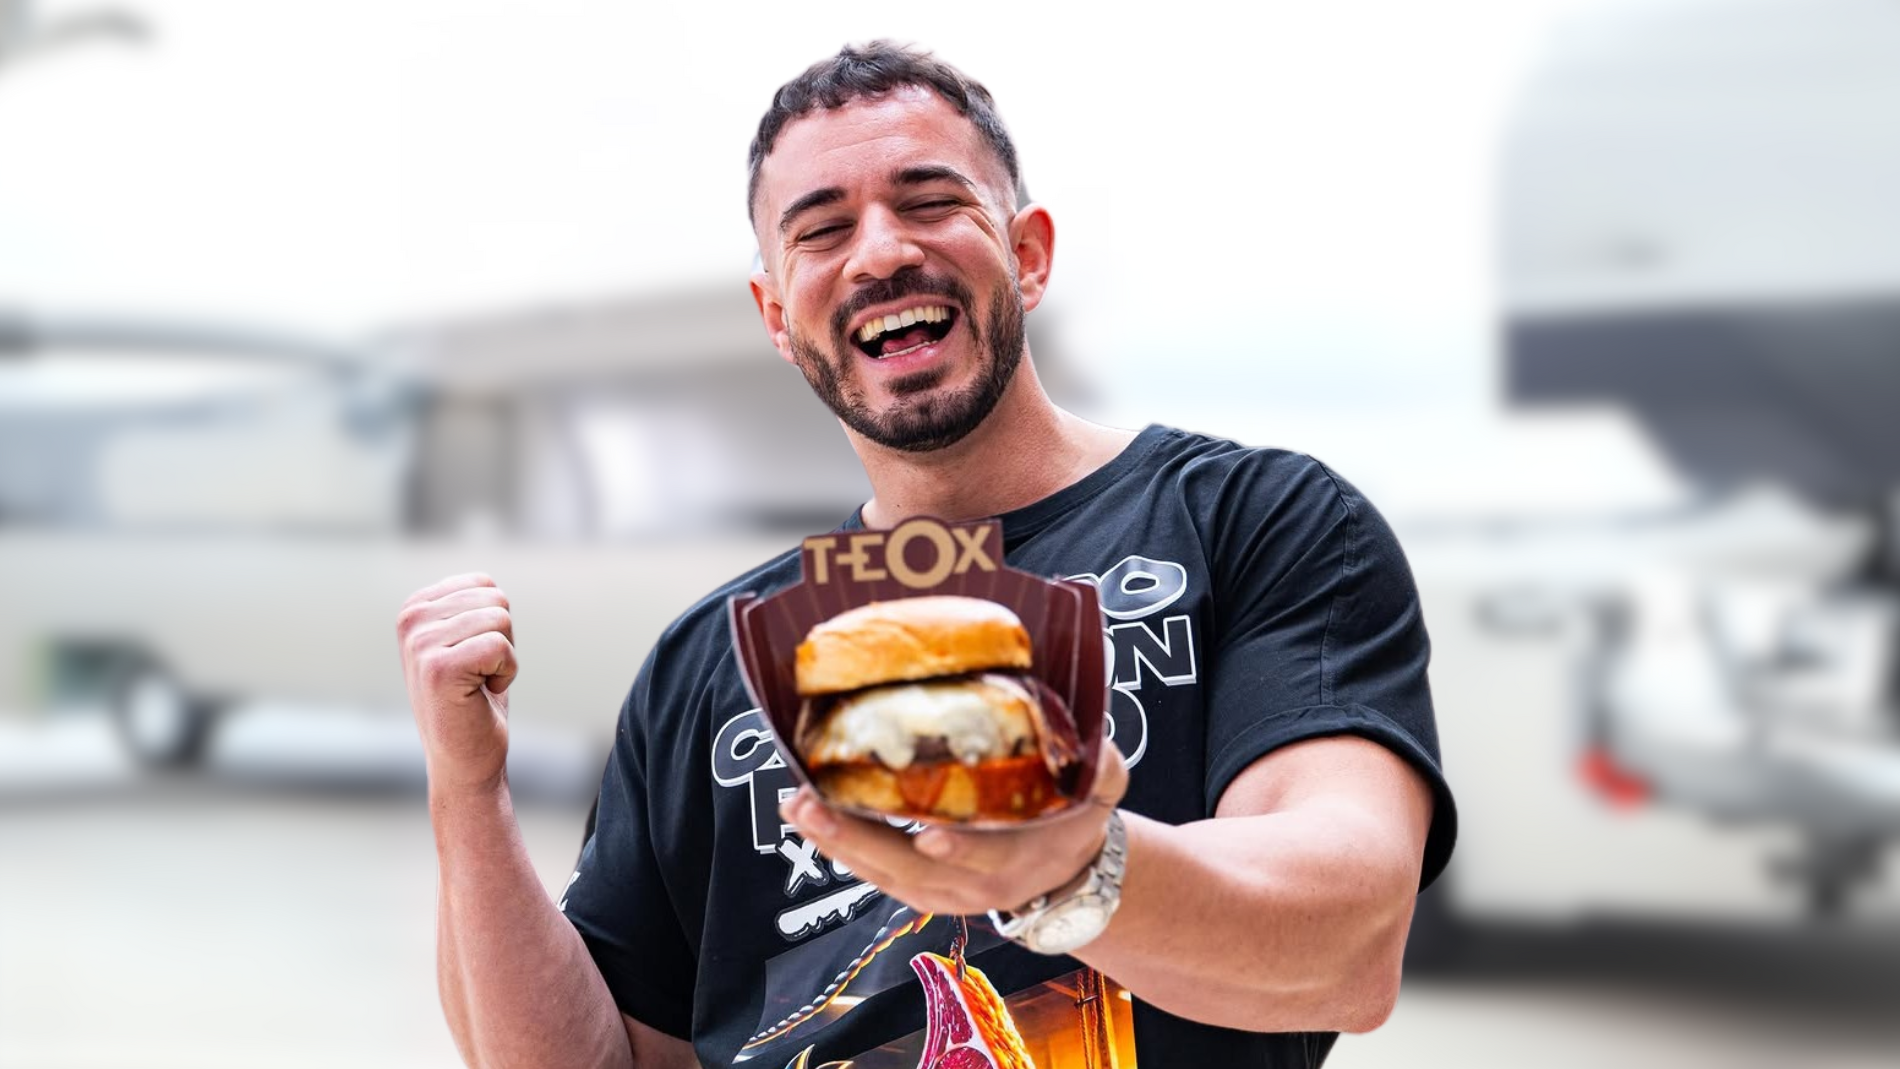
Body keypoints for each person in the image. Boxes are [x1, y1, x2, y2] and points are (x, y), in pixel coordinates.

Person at [397, 41, 1455, 1069]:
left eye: (929, 201)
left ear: (1028, 252)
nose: (879, 251)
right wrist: (467, 787)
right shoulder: (708, 660)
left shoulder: (1255, 523)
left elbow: (1346, 941)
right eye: (820, 229)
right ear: (776, 313)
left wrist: (1069, 869)